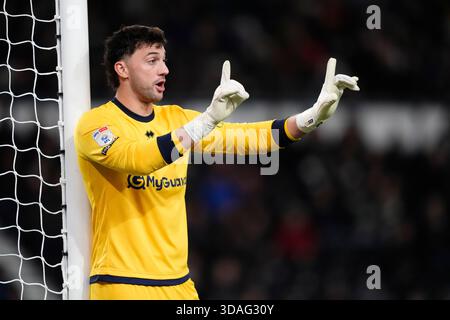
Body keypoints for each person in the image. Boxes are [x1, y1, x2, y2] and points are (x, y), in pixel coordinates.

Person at [74, 25, 359, 300]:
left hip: (178, 285)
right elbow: (136, 159)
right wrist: (206, 121)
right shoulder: (96, 125)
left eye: (164, 60)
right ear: (121, 69)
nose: (164, 69)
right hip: (123, 284)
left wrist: (312, 117)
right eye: (152, 61)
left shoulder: (176, 120)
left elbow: (246, 138)